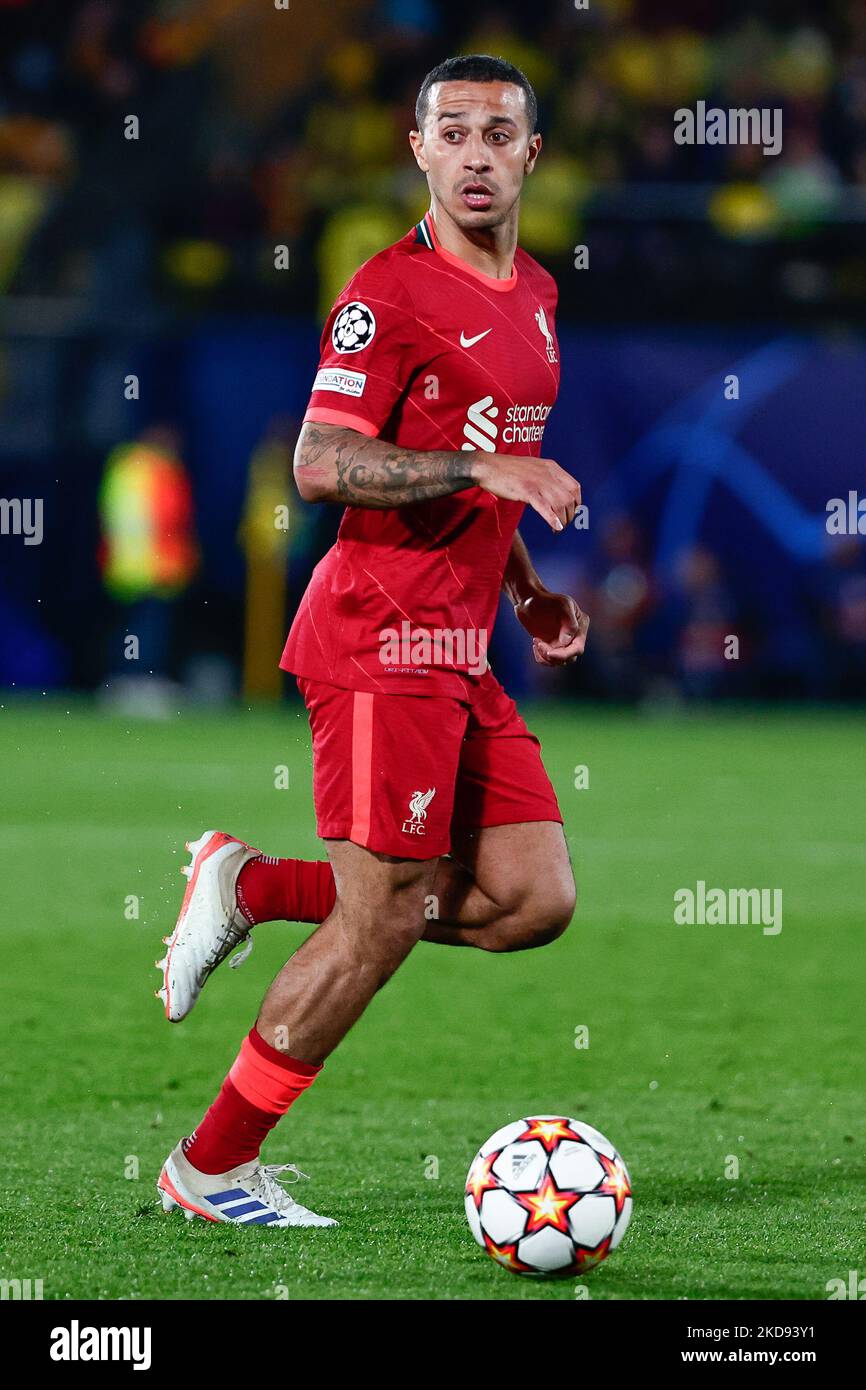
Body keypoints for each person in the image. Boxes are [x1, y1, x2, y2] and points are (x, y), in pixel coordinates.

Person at [155, 54, 589, 1229]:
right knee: (384, 917)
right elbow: (320, 461)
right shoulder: (383, 296)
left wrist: (527, 591)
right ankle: (211, 1168)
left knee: (530, 897)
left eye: (499, 133)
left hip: (461, 646)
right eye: (452, 132)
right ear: (419, 151)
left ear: (531, 155)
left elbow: (484, 480)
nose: (476, 153)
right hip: (378, 639)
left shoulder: (537, 294)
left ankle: (248, 882)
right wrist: (476, 465)